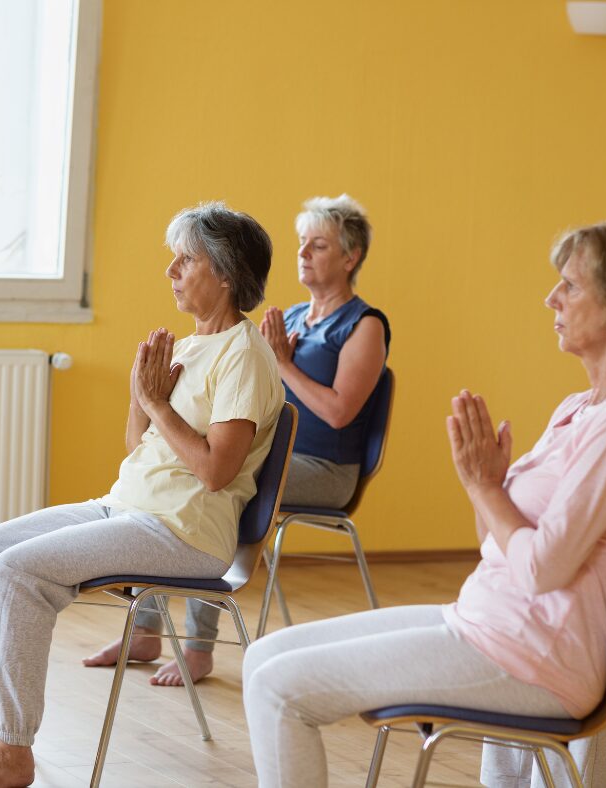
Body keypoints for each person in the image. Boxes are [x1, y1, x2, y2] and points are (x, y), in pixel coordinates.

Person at [0, 202, 284, 788]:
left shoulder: (245, 356)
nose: (171, 270)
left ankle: (13, 749)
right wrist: (138, 400)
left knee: (19, 572)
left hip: (186, 533)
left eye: (187, 259)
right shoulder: (186, 345)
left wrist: (154, 404)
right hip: (129, 508)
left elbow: (215, 472)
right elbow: (139, 451)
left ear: (225, 273)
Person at [242, 218, 606, 787]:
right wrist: (489, 486)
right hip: (488, 622)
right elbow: (497, 547)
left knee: (277, 690)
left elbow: (541, 568)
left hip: (533, 656)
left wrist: (485, 487)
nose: (551, 296)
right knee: (262, 659)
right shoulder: (578, 408)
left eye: (572, 286)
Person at [84, 194, 390, 686]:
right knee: (179, 481)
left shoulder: (364, 326)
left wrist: (284, 363)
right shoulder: (286, 320)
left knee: (209, 490)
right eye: (301, 245)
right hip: (264, 453)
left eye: (319, 246)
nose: (304, 254)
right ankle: (146, 628)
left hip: (323, 468)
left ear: (350, 258)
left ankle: (199, 649)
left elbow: (339, 413)